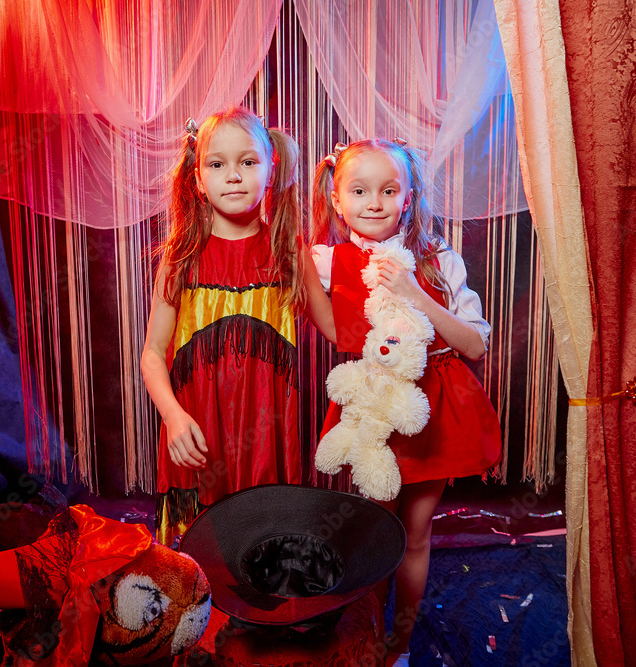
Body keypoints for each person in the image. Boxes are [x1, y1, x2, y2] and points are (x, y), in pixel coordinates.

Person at [310, 139, 502, 666]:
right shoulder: (327, 261)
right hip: (373, 408)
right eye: (359, 191)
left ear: (408, 198)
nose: (374, 203)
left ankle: (399, 645)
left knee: (416, 535)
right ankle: (366, 639)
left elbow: (475, 346)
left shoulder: (438, 259)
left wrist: (416, 293)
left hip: (432, 408)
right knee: (375, 532)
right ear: (336, 200)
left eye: (388, 190)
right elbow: (274, 259)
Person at [141, 106, 335, 546]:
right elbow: (152, 354)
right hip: (197, 437)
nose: (233, 176)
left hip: (266, 444)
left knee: (260, 553)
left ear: (270, 172)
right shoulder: (180, 257)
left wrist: (394, 286)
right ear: (197, 179)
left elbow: (339, 332)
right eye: (217, 164)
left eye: (247, 162)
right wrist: (173, 416)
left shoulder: (289, 252)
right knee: (200, 560)